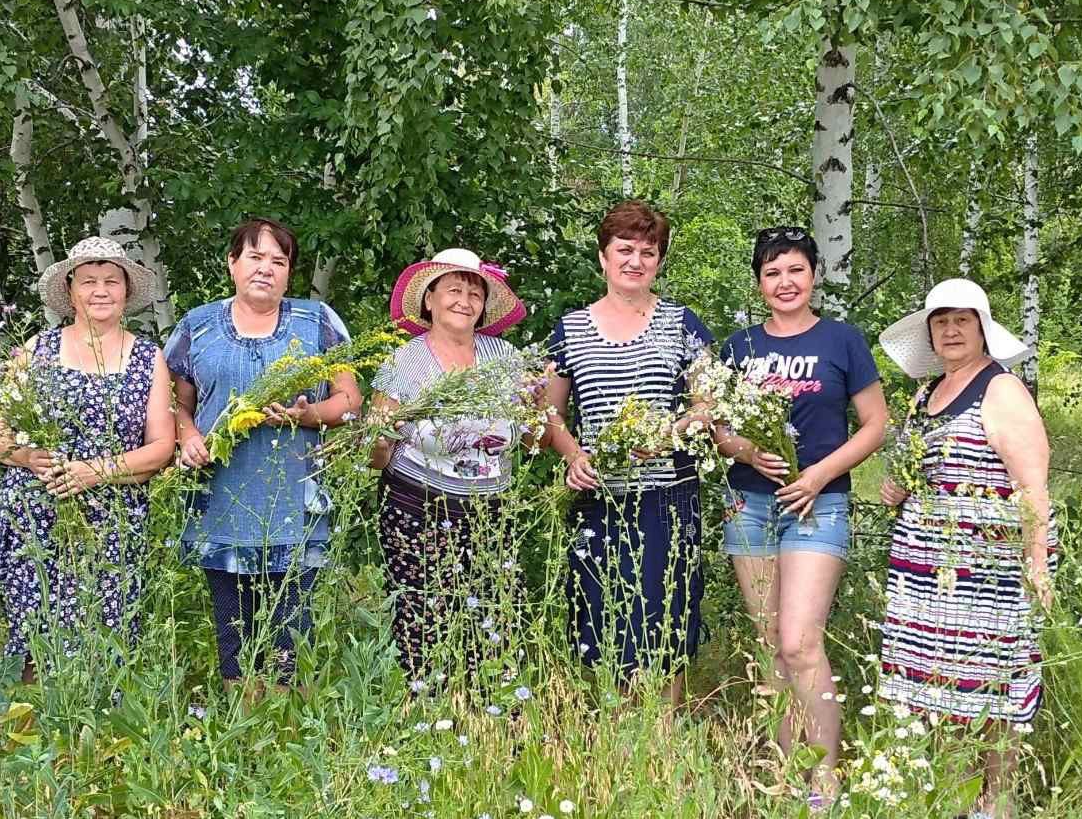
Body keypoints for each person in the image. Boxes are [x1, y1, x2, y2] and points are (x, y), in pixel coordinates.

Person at [713, 227, 888, 808]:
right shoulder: (739, 347)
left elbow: (874, 425)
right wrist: (743, 450)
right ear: (759, 283)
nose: (784, 282)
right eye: (772, 273)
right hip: (749, 504)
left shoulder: (842, 341)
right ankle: (788, 776)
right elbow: (717, 427)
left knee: (800, 641)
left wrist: (816, 475)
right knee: (770, 645)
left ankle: (826, 779)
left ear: (813, 275)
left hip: (819, 503)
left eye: (794, 270)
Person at [876, 278, 1056, 819]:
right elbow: (913, 469)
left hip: (986, 568)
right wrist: (897, 487)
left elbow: (1033, 487)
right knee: (937, 693)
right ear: (930, 333)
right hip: (926, 570)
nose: (951, 330)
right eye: (941, 321)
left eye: (962, 320)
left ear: (982, 329)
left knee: (990, 692)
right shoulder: (926, 393)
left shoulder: (1001, 390)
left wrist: (1037, 564)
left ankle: (994, 806)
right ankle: (952, 800)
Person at [164, 217, 360, 693]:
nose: (266, 269)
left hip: (294, 501)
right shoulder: (197, 326)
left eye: (279, 261)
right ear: (232, 264)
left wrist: (307, 413)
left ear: (289, 272)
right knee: (233, 630)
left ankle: (287, 728)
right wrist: (187, 436)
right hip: (221, 501)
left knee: (291, 629)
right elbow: (174, 405)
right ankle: (243, 726)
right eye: (255, 257)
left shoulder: (318, 323)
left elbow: (350, 402)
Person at [542, 200, 714, 702]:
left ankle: (663, 739)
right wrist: (575, 456)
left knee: (667, 619)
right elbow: (550, 415)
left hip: (667, 496)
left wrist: (669, 433)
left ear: (659, 261)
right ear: (602, 257)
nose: (636, 260)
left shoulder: (683, 323)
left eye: (649, 251)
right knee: (602, 619)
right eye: (625, 249)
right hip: (599, 499)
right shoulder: (569, 328)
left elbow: (707, 403)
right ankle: (621, 742)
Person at [0, 236, 176, 684]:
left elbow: (161, 447)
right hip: (36, 512)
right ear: (71, 292)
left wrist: (93, 472)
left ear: (127, 292)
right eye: (89, 281)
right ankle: (24, 732)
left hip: (112, 520)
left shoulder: (149, 358)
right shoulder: (38, 350)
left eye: (112, 281)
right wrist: (30, 457)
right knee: (32, 630)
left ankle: (94, 739)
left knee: (104, 631)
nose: (101, 290)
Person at [369, 248, 528, 680]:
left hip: (491, 513)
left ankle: (489, 719)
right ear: (429, 300)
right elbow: (376, 447)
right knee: (423, 620)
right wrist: (376, 444)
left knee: (495, 620)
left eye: (474, 293)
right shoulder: (405, 362)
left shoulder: (506, 358)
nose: (464, 300)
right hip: (416, 510)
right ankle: (428, 717)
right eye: (453, 290)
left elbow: (532, 427)